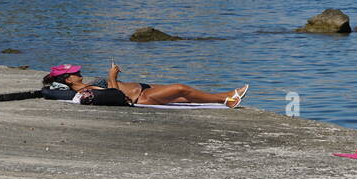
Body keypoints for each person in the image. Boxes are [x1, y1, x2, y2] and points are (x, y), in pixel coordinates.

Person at [43, 63, 247, 107]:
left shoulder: (84, 85)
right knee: (182, 89)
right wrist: (111, 75)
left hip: (143, 90)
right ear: (68, 79)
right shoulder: (83, 91)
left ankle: (226, 97)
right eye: (75, 73)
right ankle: (226, 97)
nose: (79, 72)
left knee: (188, 95)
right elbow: (115, 94)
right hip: (139, 98)